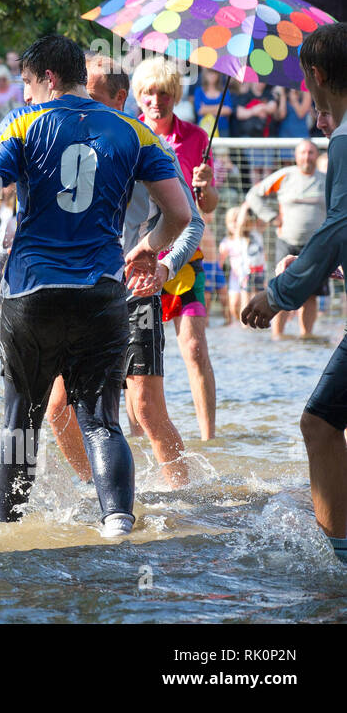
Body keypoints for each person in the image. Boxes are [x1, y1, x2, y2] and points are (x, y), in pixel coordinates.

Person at [0, 34, 191, 536]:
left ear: (48, 78)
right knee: (101, 420)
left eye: (28, 86)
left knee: (21, 421)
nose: (25, 96)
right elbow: (181, 213)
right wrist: (148, 246)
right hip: (101, 294)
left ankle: (5, 532)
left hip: (32, 295)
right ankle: (117, 520)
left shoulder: (22, 123)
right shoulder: (133, 131)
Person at [45, 55, 203, 490]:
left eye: (92, 98)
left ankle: (183, 498)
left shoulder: (148, 144)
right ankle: (102, 492)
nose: (81, 108)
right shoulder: (65, 140)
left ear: (119, 98)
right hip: (78, 293)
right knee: (58, 410)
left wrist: (166, 264)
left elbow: (193, 220)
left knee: (147, 409)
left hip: (134, 294)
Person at [241, 22, 347, 565]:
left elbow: (338, 225)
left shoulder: (346, 138)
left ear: (317, 74)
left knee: (320, 422)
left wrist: (279, 292)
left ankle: (338, 563)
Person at [132, 55, 220, 441]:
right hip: (137, 256)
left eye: (164, 93)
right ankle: (136, 439)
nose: (156, 100)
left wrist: (205, 185)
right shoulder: (129, 133)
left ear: (175, 96)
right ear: (136, 96)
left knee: (195, 347)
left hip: (186, 259)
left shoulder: (197, 138)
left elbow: (207, 207)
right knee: (135, 364)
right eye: (149, 93)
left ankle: (209, 438)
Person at [245, 139, 327, 338]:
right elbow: (253, 195)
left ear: (317, 156)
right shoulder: (285, 176)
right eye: (303, 152)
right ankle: (278, 336)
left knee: (312, 295)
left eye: (311, 152)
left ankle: (307, 337)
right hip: (287, 243)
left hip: (316, 246)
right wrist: (272, 217)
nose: (307, 156)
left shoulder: (327, 179)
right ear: (296, 156)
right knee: (280, 289)